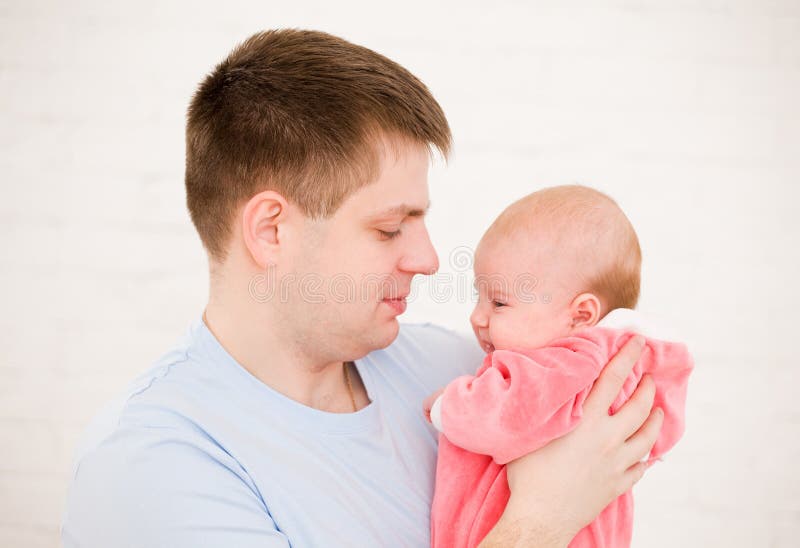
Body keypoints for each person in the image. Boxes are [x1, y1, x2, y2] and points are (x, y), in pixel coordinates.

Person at [61, 29, 666, 547]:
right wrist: (541, 519)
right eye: (389, 228)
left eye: (421, 221)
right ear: (272, 231)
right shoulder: (155, 466)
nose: (428, 259)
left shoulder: (459, 370)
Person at [423, 186, 694, 547]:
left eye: (499, 303)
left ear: (581, 315)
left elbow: (507, 414)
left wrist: (449, 406)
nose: (478, 317)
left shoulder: (566, 366)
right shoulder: (617, 369)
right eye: (479, 296)